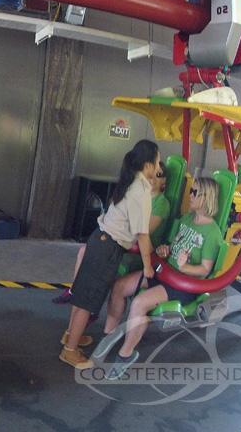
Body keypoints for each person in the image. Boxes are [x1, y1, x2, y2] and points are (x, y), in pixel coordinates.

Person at [104, 177, 221, 379]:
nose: (190, 196)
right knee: (120, 287)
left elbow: (205, 269)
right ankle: (109, 334)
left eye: (194, 192)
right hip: (164, 272)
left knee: (139, 303)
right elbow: (170, 245)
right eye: (190, 191)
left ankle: (125, 355)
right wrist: (165, 249)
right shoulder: (185, 219)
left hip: (181, 286)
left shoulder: (212, 233)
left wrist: (185, 266)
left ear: (206, 198)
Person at [59, 140, 160, 370]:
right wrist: (147, 267)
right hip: (108, 248)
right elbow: (142, 234)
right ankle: (70, 351)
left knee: (82, 293)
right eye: (156, 161)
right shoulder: (141, 190)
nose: (158, 166)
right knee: (88, 299)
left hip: (99, 240)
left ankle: (70, 336)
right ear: (147, 164)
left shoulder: (130, 181)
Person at [54, 162, 170, 307]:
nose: (153, 178)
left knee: (100, 260)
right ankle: (74, 292)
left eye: (158, 175)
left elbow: (142, 233)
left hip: (136, 250)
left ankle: (88, 307)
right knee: (85, 251)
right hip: (122, 241)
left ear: (164, 181)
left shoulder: (161, 204)